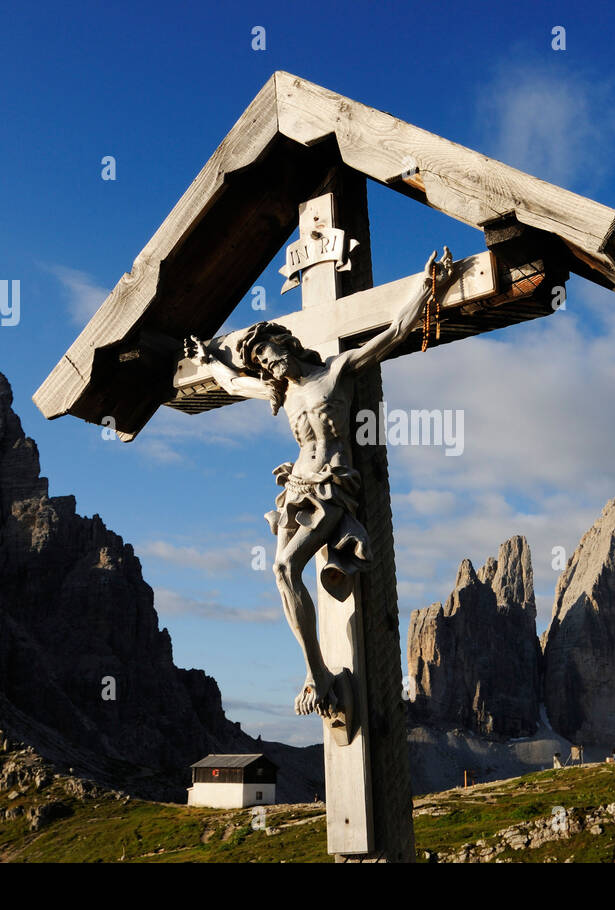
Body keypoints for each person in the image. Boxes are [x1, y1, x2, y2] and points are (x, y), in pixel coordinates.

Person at [186, 249, 458, 720]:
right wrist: (208, 359)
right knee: (281, 572)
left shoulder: (336, 372)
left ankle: (319, 674)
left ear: (285, 346)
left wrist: (428, 286)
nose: (269, 370)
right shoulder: (280, 392)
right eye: (263, 366)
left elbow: (392, 332)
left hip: (332, 484)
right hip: (297, 486)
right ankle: (316, 670)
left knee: (288, 567)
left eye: (270, 358)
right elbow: (231, 383)